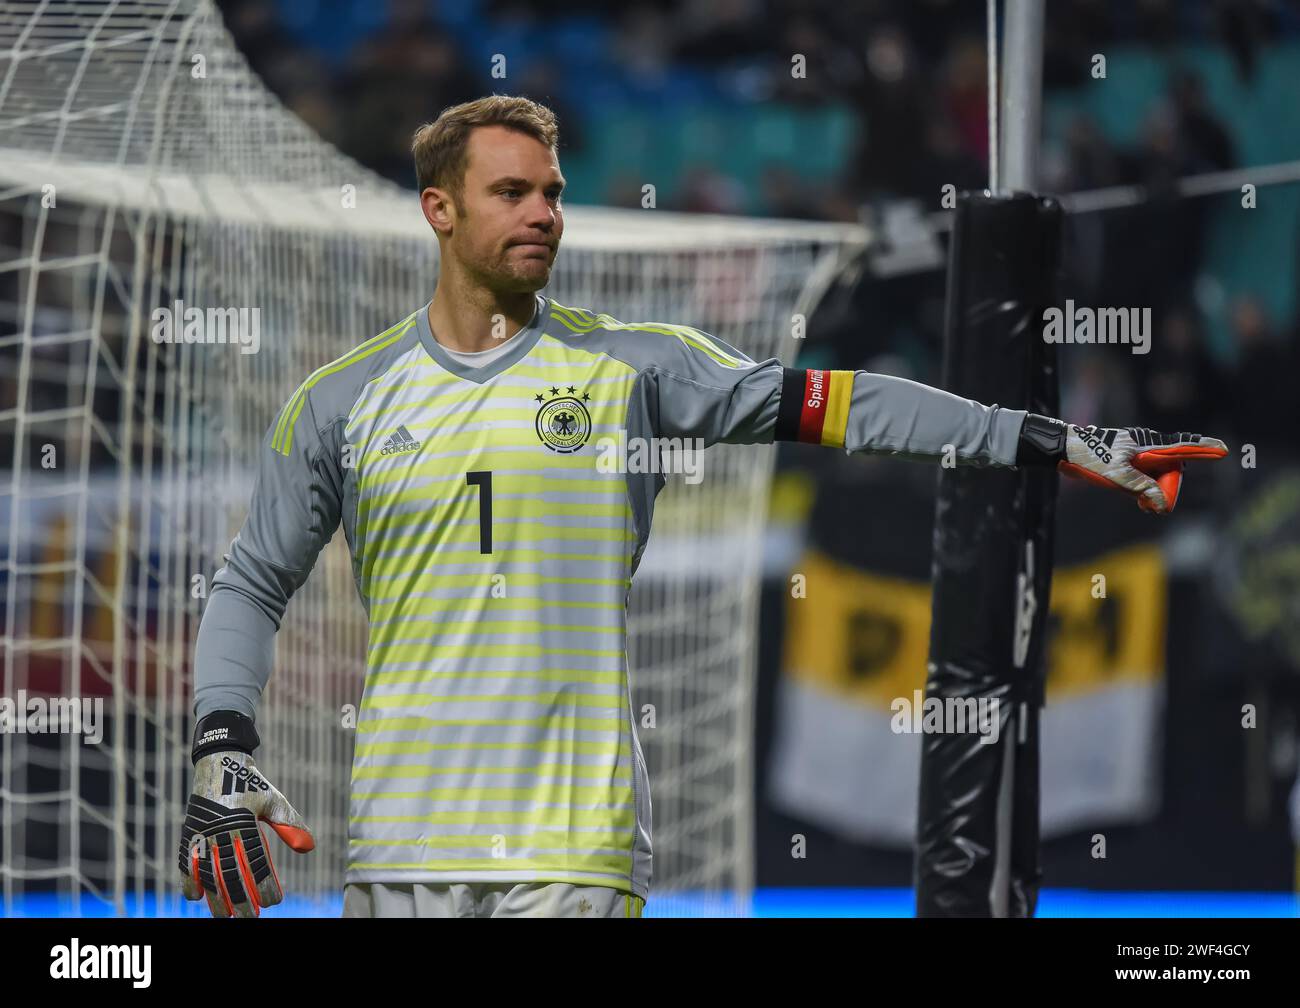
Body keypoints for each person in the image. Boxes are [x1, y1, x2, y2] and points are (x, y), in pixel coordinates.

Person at [178, 95, 1227, 919]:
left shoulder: (637, 368)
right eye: (511, 192)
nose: (543, 211)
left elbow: (852, 408)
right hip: (397, 842)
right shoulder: (342, 401)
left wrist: (1045, 439)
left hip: (569, 846)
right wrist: (222, 747)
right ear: (438, 209)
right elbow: (251, 580)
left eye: (551, 191)